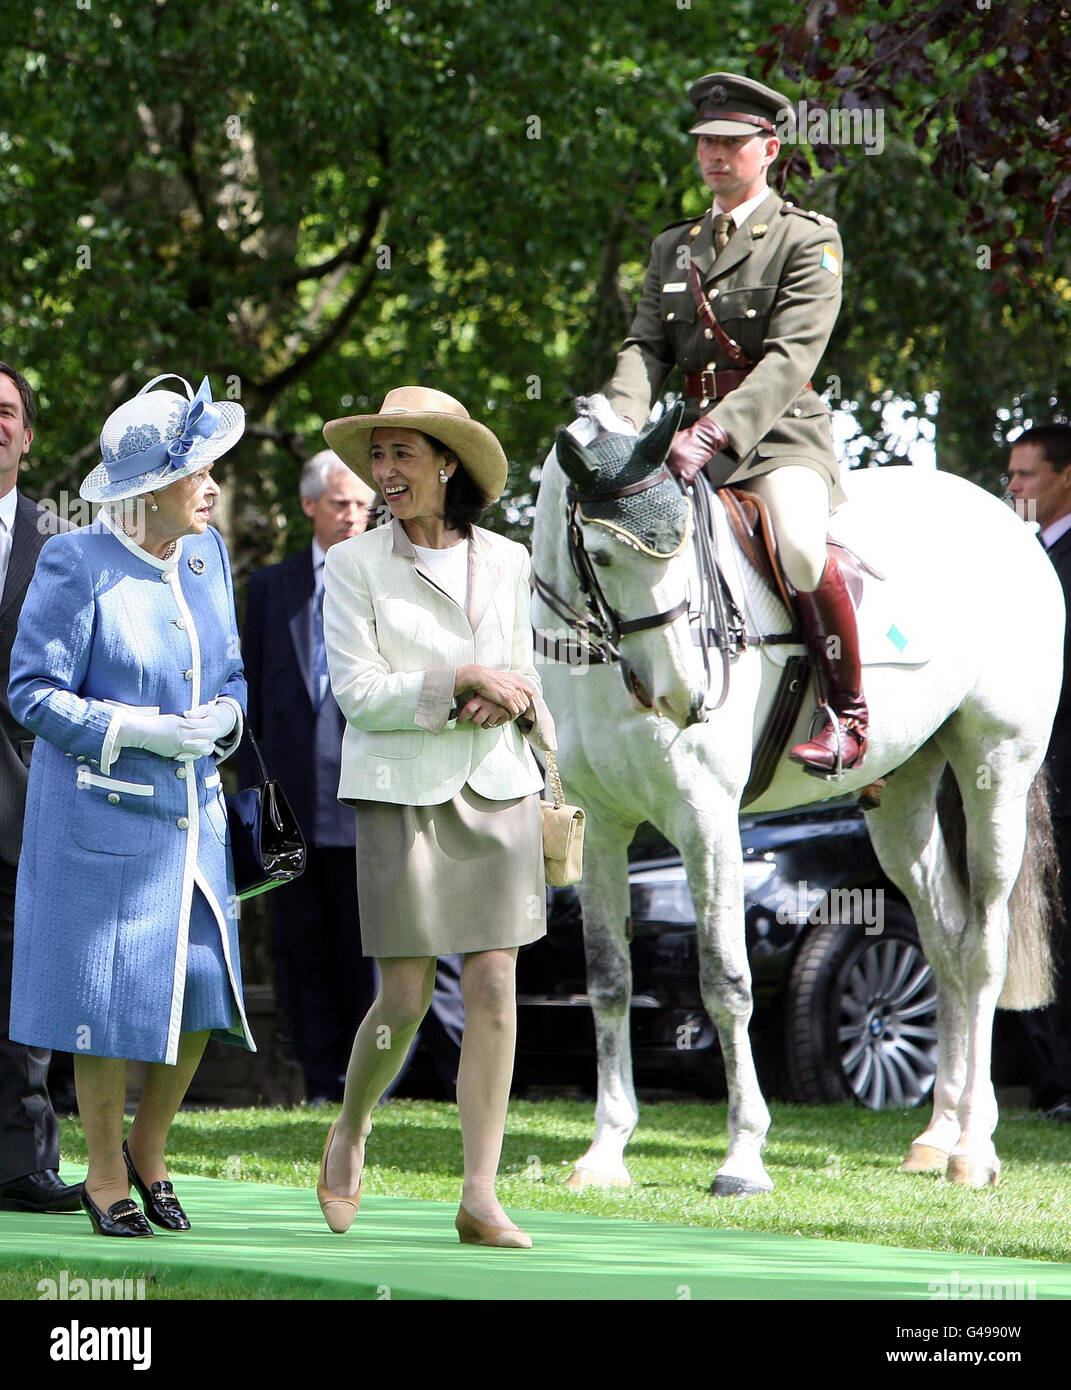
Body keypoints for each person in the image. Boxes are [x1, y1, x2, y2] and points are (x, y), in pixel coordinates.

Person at [7, 374, 254, 1237]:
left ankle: (151, 1150)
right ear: (151, 488)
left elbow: (229, 672)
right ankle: (105, 1170)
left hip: (195, 819)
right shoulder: (75, 560)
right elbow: (31, 693)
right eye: (199, 474)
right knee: (103, 999)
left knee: (196, 985)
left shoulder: (205, 553)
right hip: (100, 817)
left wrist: (225, 713)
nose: (213, 487)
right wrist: (140, 730)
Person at [314, 386, 555, 1247]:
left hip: (498, 787)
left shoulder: (512, 559)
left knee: (494, 982)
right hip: (399, 793)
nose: (384, 473)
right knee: (405, 999)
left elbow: (527, 670)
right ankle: (350, 1125)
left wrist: (512, 698)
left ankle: (480, 1194)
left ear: (447, 463)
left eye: (401, 456)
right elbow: (359, 694)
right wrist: (461, 681)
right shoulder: (351, 565)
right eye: (376, 457)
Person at [605, 71, 863, 776]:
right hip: (681, 439)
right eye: (704, 143)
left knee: (804, 551)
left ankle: (846, 713)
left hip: (776, 439)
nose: (714, 155)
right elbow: (644, 347)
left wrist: (715, 433)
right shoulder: (672, 247)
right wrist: (617, 421)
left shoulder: (807, 239)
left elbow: (790, 358)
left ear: (768, 148)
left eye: (730, 142)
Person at [241, 450, 465, 1103]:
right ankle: (318, 1083)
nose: (352, 516)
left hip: (371, 796)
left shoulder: (391, 581)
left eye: (362, 506)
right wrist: (252, 793)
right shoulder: (271, 588)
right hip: (288, 805)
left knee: (372, 950)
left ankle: (379, 1086)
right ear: (309, 506)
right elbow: (249, 697)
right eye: (339, 503)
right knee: (299, 948)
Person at [0, 362, 81, 1216]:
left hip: (25, 796)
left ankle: (22, 1161)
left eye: (8, 411)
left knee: (22, 991)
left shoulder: (62, 541)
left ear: (26, 434)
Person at [1005, 422, 1071, 1118]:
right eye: (1011, 474)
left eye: (1026, 474)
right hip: (1027, 775)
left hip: (1061, 771)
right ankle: (1049, 1084)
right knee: (1031, 930)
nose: (1013, 486)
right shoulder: (1018, 556)